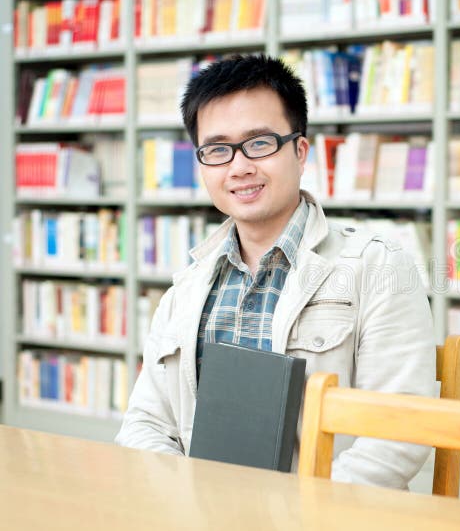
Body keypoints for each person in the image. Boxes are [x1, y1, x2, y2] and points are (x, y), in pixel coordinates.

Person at [116, 54, 436, 489]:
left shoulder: (377, 266)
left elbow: (399, 430)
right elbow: (145, 424)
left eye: (260, 143)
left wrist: (294, 512)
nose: (239, 165)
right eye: (217, 150)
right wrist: (186, 501)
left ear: (300, 152)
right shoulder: (186, 287)